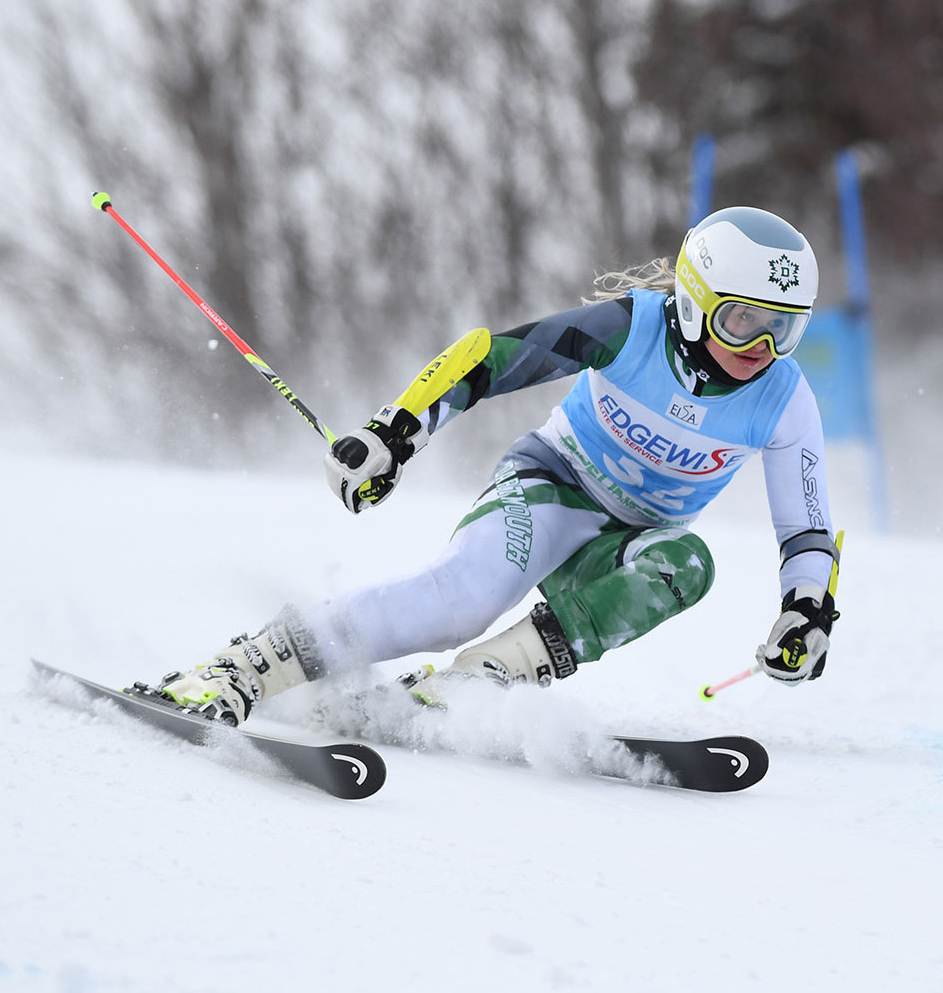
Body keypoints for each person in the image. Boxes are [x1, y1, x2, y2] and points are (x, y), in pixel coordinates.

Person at [131, 206, 842, 724]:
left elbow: (807, 530)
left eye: (786, 326)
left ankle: (482, 679)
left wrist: (806, 613)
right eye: (741, 319)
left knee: (687, 563)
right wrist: (395, 431)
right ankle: (252, 665)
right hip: (553, 486)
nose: (761, 346)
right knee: (462, 602)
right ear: (692, 302)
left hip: (630, 542)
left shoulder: (784, 400)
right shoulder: (633, 329)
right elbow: (491, 357)